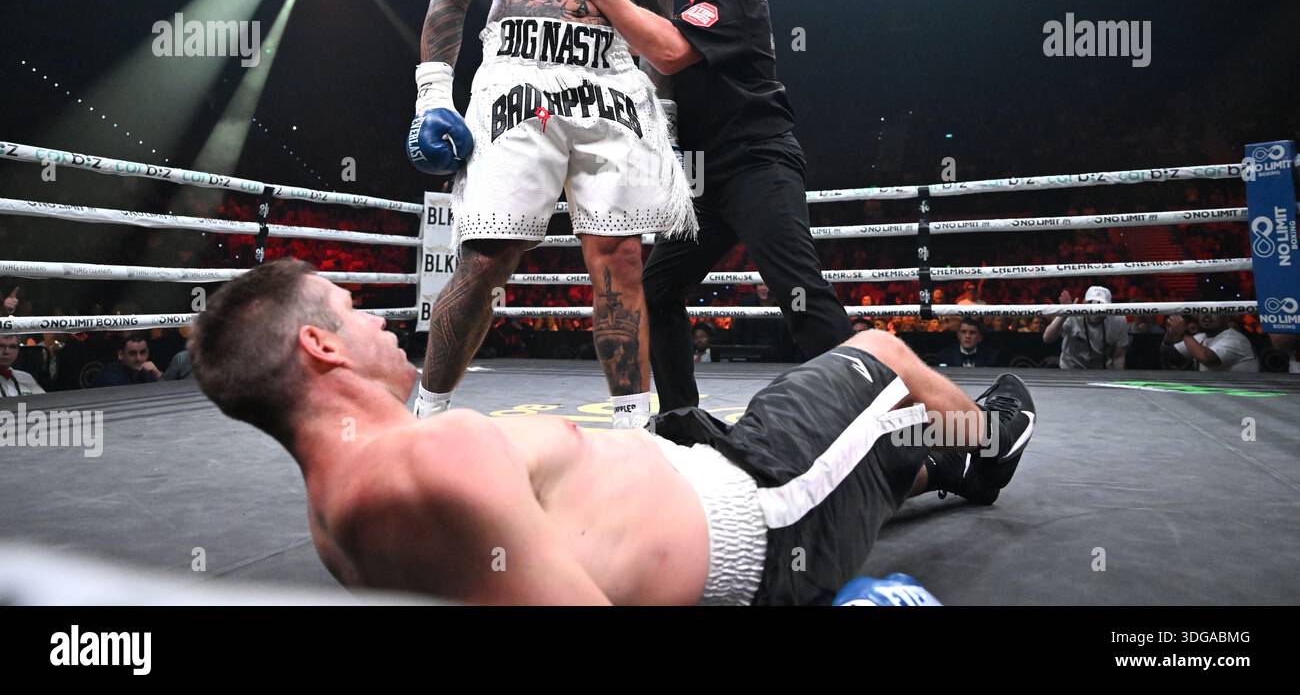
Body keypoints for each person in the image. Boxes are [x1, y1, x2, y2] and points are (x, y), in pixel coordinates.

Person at [189, 259, 1037, 606]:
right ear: (321, 346)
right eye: (352, 309)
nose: (378, 320)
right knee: (881, 354)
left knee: (879, 447)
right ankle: (991, 442)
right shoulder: (432, 460)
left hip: (717, 474)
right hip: (769, 513)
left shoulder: (334, 521)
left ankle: (948, 470)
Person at [406, 0, 694, 429]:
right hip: (518, 73)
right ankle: (427, 415)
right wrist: (433, 97)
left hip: (609, 85)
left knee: (621, 257)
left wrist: (664, 122)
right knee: (488, 256)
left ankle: (632, 431)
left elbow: (659, 30)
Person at [545, 0, 852, 411]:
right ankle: (679, 417)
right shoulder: (706, 4)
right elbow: (650, 43)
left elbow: (667, 52)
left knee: (799, 291)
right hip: (705, 180)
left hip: (756, 165)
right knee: (658, 291)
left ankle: (880, 415)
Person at [1041, 286, 1129, 369]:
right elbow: (1047, 338)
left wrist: (1117, 377)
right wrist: (1064, 314)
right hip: (1070, 369)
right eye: (1091, 302)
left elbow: (1119, 355)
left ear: (1109, 307)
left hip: (1102, 370)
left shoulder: (1118, 320)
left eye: (1100, 304)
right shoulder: (1071, 312)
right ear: (1084, 302)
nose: (1095, 309)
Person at [1161, 313, 1258, 372]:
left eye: (1214, 312)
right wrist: (1171, 334)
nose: (1207, 316)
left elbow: (1208, 359)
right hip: (1217, 394)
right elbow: (1170, 354)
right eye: (1203, 312)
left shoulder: (1235, 339)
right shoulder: (1201, 337)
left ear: (1227, 318)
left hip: (1242, 394)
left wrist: (1184, 333)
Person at [94, 333, 162, 387]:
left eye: (142, 352)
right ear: (121, 354)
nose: (138, 358)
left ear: (148, 353)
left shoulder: (147, 372)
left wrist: (158, 374)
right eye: (132, 353)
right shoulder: (110, 377)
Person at [937, 319, 1002, 368]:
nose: (967, 336)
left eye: (972, 332)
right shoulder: (945, 355)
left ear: (980, 338)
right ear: (958, 335)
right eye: (963, 332)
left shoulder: (992, 356)